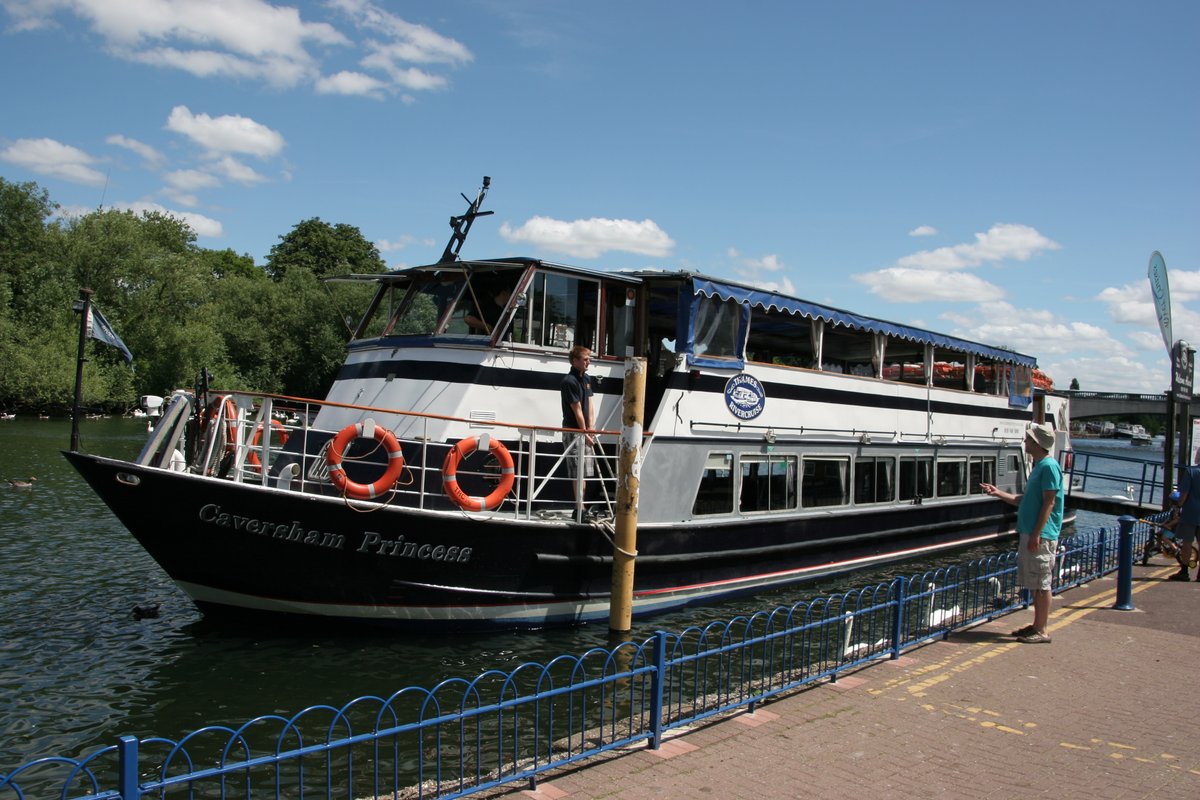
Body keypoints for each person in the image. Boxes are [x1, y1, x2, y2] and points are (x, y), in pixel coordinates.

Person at [980, 421, 1064, 644]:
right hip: (1031, 531)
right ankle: (1036, 625)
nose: (1025, 442)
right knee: (1035, 583)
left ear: (1036, 443)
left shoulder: (1048, 467)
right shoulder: (1038, 466)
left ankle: (1042, 630)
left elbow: (1050, 502)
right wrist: (997, 493)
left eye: (1028, 439)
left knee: (1042, 582)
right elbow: (1024, 501)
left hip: (1041, 534)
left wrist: (1037, 533)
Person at [560, 345, 596, 502]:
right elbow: (577, 410)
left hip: (584, 431)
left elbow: (590, 404)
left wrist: (591, 428)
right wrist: (584, 432)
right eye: (585, 359)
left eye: (589, 359)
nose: (588, 362)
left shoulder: (586, 379)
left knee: (585, 471)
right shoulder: (569, 381)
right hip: (574, 431)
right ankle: (579, 507)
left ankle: (582, 507)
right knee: (577, 471)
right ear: (575, 361)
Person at [1170, 456, 1200, 581]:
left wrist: (1178, 507)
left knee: (1187, 543)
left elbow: (1184, 495)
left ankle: (1184, 571)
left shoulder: (1191, 472)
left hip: (1190, 512)